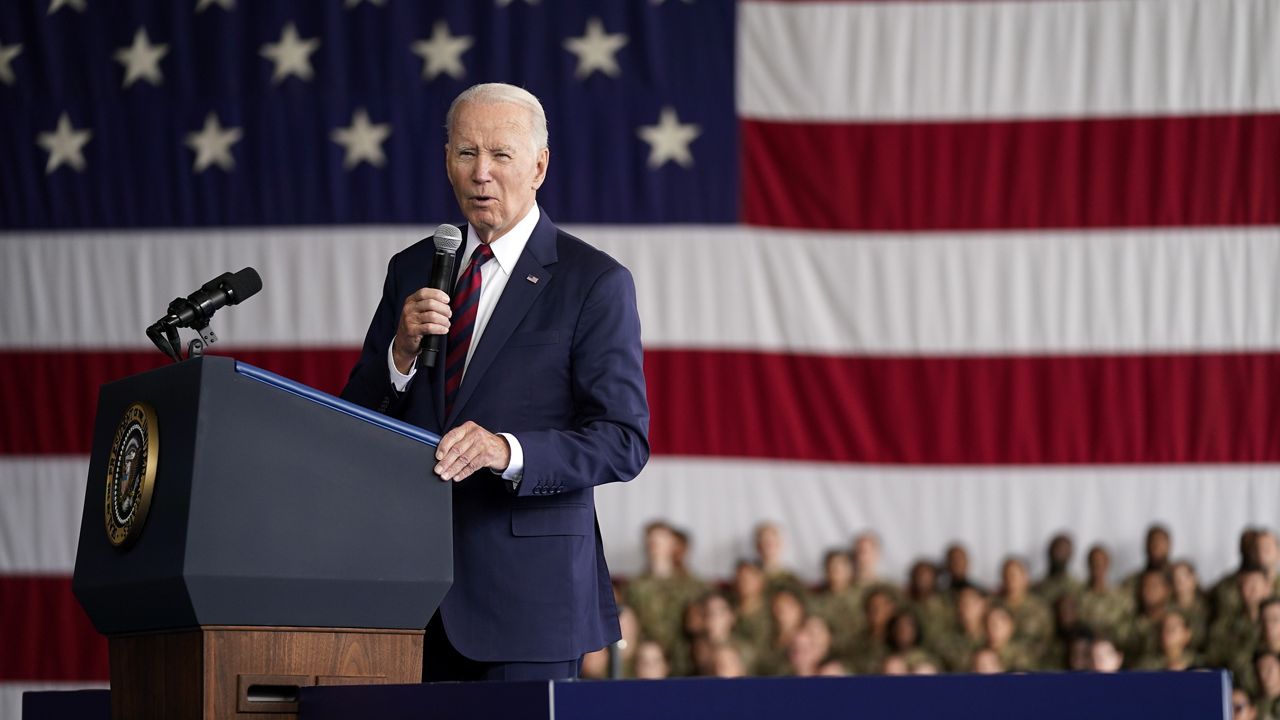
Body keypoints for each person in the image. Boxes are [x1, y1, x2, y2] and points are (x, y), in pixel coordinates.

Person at [342, 83, 650, 681]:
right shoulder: (412, 268)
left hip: (527, 604)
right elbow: (359, 413)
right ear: (446, 162)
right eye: (465, 154)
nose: (481, 173)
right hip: (406, 598)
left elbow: (622, 440)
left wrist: (505, 450)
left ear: (538, 166)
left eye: (501, 156)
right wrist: (399, 356)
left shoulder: (594, 281)